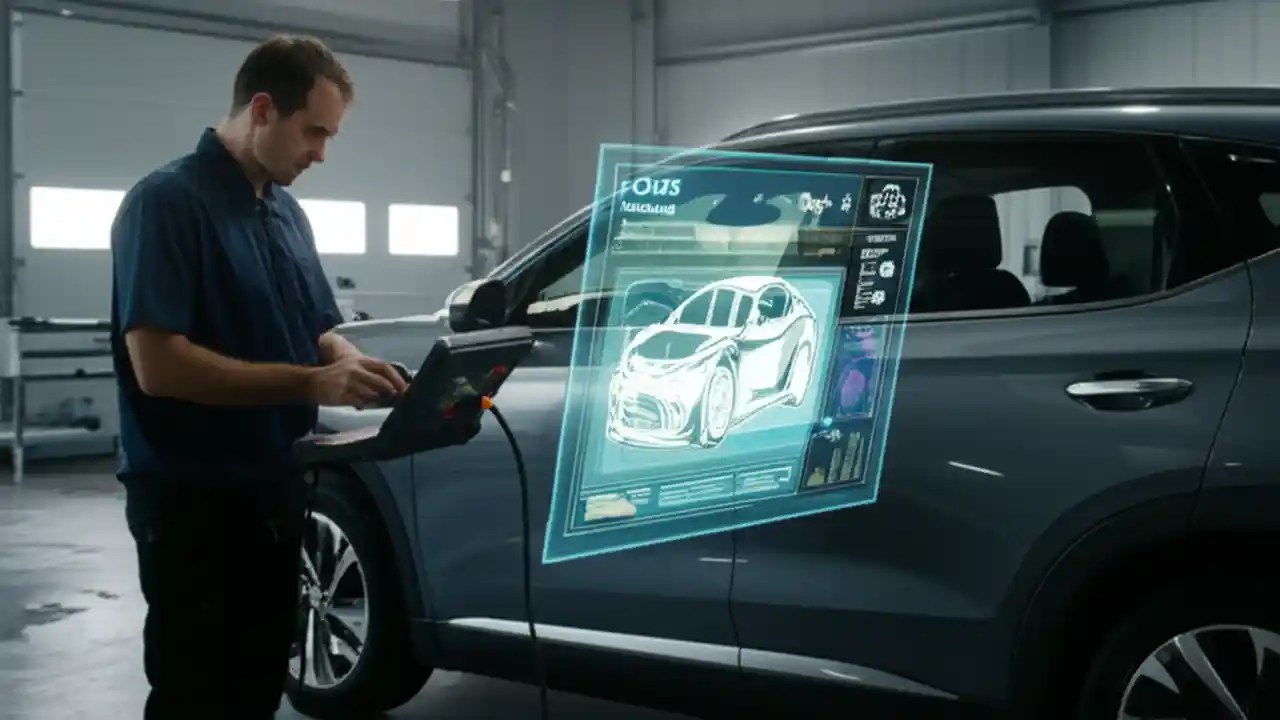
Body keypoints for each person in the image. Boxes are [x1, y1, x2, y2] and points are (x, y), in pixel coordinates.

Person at [109, 34, 408, 719]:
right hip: (193, 499)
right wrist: (309, 385)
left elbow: (313, 327)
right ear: (264, 110)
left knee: (257, 685)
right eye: (315, 132)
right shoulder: (166, 204)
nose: (321, 154)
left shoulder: (284, 211)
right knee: (201, 692)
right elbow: (158, 366)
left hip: (275, 487)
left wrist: (343, 359)